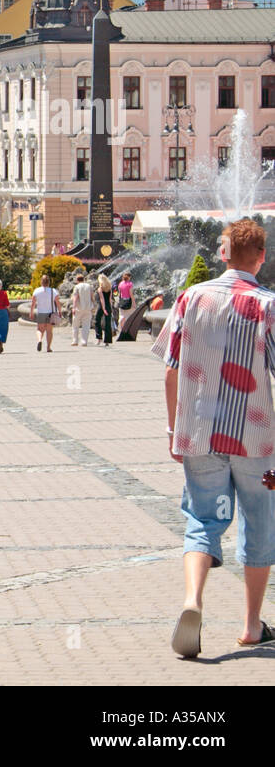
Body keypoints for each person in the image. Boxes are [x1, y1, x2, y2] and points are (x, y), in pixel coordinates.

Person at [154, 219, 275, 658]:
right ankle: (250, 627)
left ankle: (192, 600)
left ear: (223, 253)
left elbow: (171, 368)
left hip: (199, 434)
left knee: (203, 521)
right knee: (259, 526)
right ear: (261, 258)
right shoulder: (268, 305)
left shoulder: (192, 297)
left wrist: (174, 429)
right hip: (256, 440)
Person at [31, 273, 60, 353]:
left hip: (41, 313)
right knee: (49, 331)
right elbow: (58, 302)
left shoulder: (37, 291)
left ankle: (40, 340)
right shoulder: (53, 291)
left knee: (39, 329)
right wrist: (60, 311)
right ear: (49, 282)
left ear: (41, 282)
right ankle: (48, 347)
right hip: (51, 313)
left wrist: (31, 312)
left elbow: (33, 303)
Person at [70, 273, 94, 347]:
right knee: (86, 325)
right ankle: (84, 341)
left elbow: (75, 297)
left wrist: (73, 307)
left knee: (75, 325)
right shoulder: (89, 286)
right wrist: (93, 306)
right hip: (88, 308)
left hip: (78, 308)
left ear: (77, 280)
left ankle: (75, 341)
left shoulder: (77, 287)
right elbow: (92, 297)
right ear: (84, 279)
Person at [95, 274, 116, 347]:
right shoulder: (109, 288)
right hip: (108, 306)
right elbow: (110, 299)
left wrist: (103, 309)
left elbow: (102, 299)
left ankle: (99, 337)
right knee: (108, 323)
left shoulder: (100, 289)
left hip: (101, 306)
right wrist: (110, 308)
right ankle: (107, 340)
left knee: (97, 321)